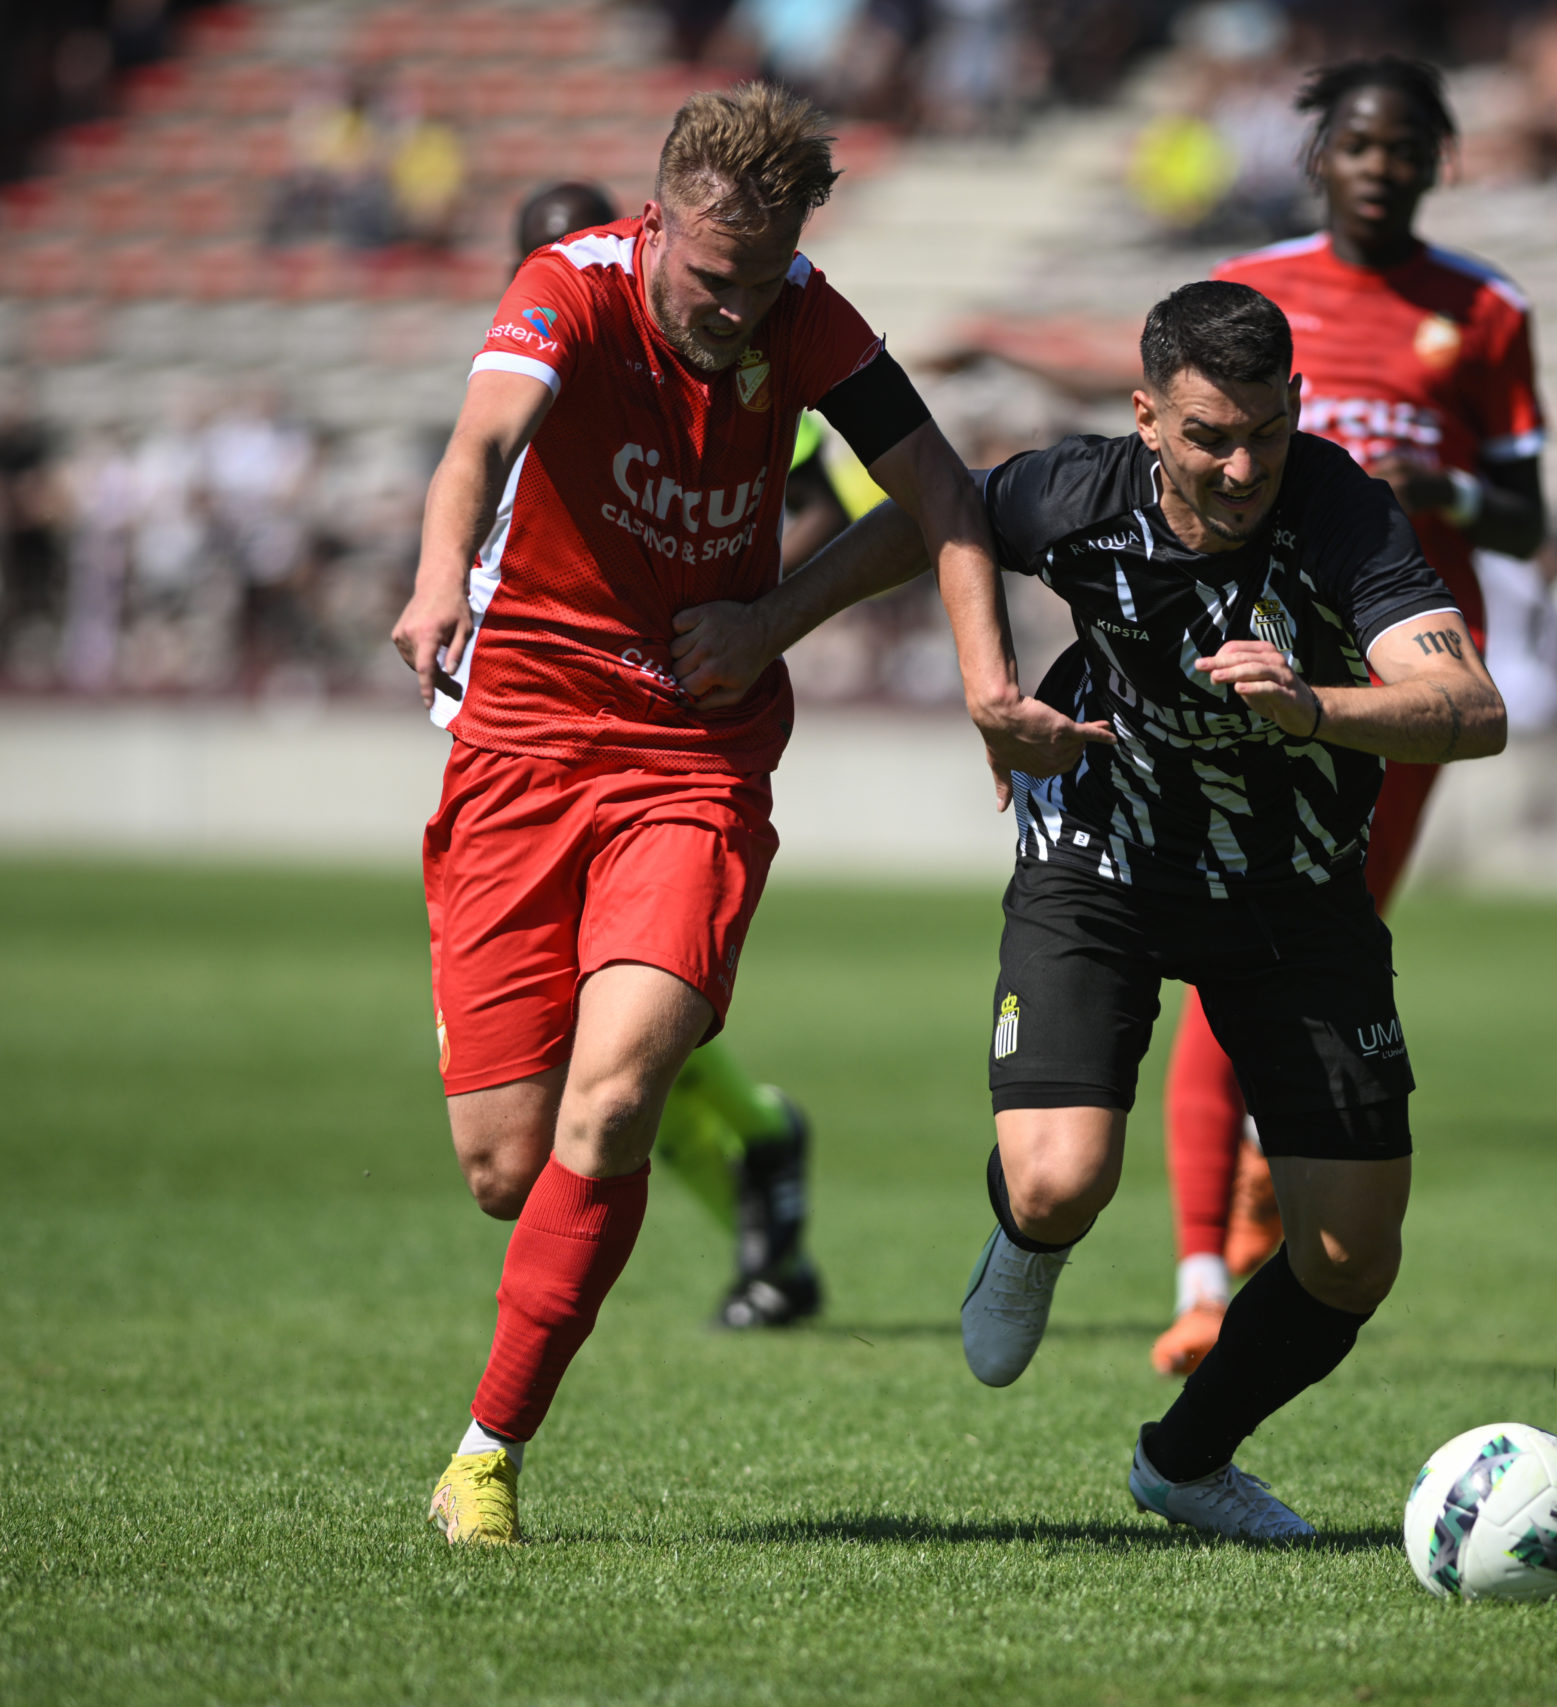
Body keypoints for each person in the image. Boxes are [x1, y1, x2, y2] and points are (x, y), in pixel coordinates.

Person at [667, 279, 1509, 1539]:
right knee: (1062, 1181)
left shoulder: (1341, 511)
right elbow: (928, 512)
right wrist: (770, 625)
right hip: (1101, 858)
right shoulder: (1077, 492)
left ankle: (1184, 1461)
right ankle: (1024, 1236)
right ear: (1147, 418)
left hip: (1292, 891)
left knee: (1349, 1255)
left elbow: (1476, 712)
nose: (1241, 466)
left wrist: (1314, 707)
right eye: (1209, 436)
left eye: (1266, 434)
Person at [397, 84, 1092, 1546]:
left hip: (691, 755)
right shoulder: (569, 289)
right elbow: (475, 446)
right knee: (505, 1165)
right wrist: (433, 575)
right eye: (713, 280)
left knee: (622, 1090)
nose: (737, 308)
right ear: (658, 223)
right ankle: (662, 1165)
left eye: (763, 277)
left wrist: (838, 637)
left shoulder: (808, 318)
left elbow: (944, 500)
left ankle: (486, 1454)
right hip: (523, 736)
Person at [1144, 55, 1546, 1378]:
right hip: (1257, 662)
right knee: (1230, 930)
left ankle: (1272, 1172)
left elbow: (1528, 516)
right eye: (1358, 144)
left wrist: (1444, 485)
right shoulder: (1257, 291)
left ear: (1440, 160)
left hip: (1396, 685)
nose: (1381, 165)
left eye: (1406, 145)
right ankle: (1204, 1272)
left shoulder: (1485, 310)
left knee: (1324, 931)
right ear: (1322, 155)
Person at [513, 176, 828, 1332]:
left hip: (669, 727)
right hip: (527, 733)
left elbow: (847, 490)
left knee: (617, 1040)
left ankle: (755, 1177)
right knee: (550, 1077)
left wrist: (750, 602)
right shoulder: (522, 369)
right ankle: (757, 1144)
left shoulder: (722, 366)